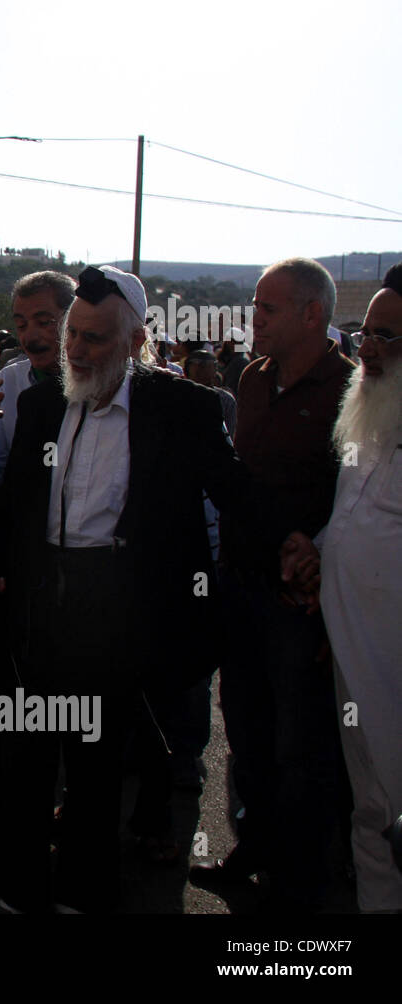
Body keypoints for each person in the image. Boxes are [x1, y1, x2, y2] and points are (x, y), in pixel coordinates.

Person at [0, 265, 247, 913]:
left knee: (95, 767)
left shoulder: (181, 409)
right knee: (30, 758)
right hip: (40, 610)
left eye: (94, 338)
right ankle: (23, 887)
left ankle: (85, 893)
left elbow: (234, 493)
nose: (76, 350)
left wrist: (298, 542)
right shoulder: (41, 404)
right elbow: (11, 505)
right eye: (73, 335)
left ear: (134, 340)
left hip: (116, 613)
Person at [194, 257, 354, 913]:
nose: (251, 319)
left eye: (267, 309)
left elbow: (357, 502)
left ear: (312, 314)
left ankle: (305, 880)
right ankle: (253, 847)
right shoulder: (251, 380)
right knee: (248, 730)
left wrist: (318, 559)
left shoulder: (352, 390)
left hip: (299, 603)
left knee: (302, 744)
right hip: (240, 588)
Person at [280, 272, 402, 912]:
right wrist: (317, 550)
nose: (368, 349)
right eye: (365, 333)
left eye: (386, 335)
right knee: (374, 813)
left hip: (394, 664)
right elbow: (356, 518)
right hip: (354, 659)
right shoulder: (372, 414)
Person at [0, 271, 76, 506]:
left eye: (44, 322)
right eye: (21, 325)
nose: (30, 336)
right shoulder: (8, 382)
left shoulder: (102, 387)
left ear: (73, 319)